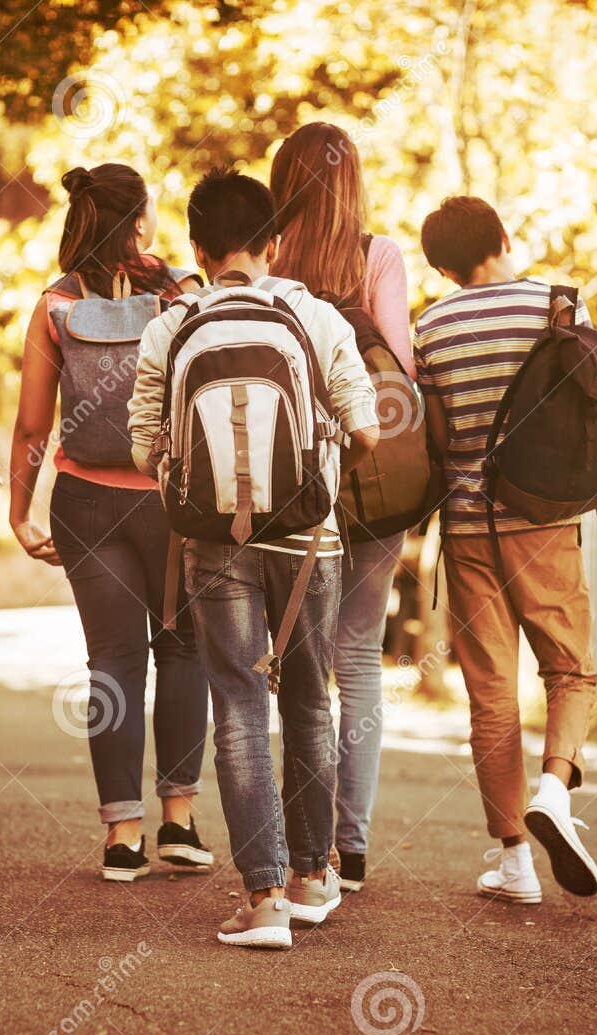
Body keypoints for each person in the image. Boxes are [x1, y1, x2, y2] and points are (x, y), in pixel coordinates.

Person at [128, 168, 378, 949]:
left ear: (197, 249)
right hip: (311, 541)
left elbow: (143, 449)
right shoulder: (315, 315)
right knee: (309, 697)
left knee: (237, 702)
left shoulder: (171, 325)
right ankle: (312, 876)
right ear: (274, 243)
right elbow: (367, 430)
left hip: (214, 542)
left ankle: (263, 896)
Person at [9, 162, 213, 882]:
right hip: (174, 499)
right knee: (184, 648)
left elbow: (34, 424)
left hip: (86, 502)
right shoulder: (183, 293)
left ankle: (122, 834)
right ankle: (180, 822)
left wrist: (17, 510)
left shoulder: (54, 304)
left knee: (113, 663)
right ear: (138, 222)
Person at [414, 197, 597, 902]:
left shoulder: (430, 326)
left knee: (491, 696)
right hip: (545, 522)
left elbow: (435, 440)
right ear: (503, 236)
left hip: (467, 530)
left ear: (441, 266)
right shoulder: (559, 308)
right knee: (570, 670)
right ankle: (555, 787)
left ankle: (515, 861)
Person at [269, 122, 414, 894]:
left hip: (290, 484)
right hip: (377, 485)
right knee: (357, 654)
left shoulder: (269, 260)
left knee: (297, 659)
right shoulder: (377, 255)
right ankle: (349, 847)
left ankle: (304, 845)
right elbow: (401, 370)